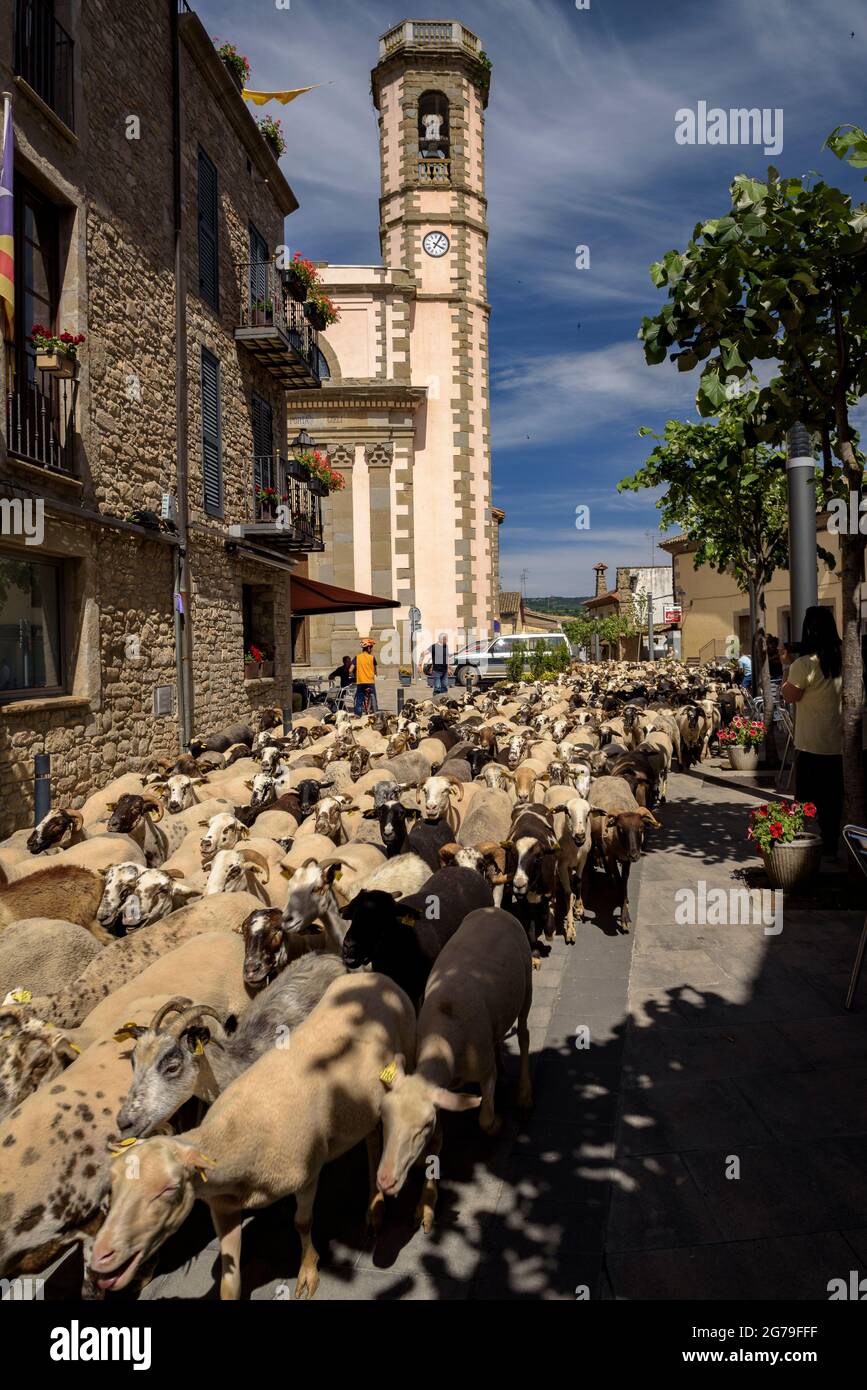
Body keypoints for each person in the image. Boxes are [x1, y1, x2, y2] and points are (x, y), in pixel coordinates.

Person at [781, 606, 843, 858]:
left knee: (805, 800)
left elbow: (790, 695)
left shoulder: (805, 664)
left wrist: (786, 669)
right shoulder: (846, 657)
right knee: (834, 801)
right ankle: (831, 845)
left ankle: (803, 850)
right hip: (840, 744)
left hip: (811, 743)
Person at [350, 638, 378, 715]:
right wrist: (374, 673)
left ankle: (358, 715)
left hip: (361, 682)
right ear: (368, 648)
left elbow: (350, 669)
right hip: (370, 682)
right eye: (371, 647)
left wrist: (353, 674)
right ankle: (375, 712)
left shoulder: (357, 657)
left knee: (359, 699)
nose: (371, 649)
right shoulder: (372, 658)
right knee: (374, 698)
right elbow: (375, 670)